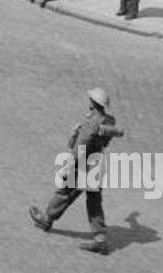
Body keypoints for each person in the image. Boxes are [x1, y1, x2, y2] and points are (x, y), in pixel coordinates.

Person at [28, 88, 125, 256]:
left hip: (83, 165)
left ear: (92, 104)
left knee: (65, 193)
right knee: (94, 201)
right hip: (97, 163)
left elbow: (79, 147)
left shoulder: (90, 124)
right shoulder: (109, 120)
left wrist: (67, 166)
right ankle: (100, 239)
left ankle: (46, 219)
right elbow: (113, 134)